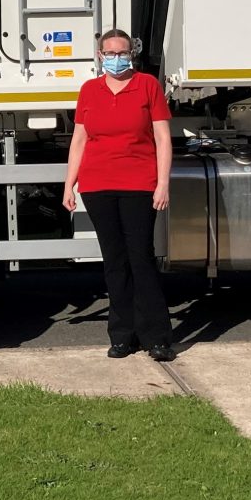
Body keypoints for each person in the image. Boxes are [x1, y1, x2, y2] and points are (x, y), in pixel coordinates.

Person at [62, 28, 175, 362]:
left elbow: (163, 139)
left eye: (121, 52)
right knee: (114, 262)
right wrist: (69, 184)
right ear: (100, 56)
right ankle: (122, 336)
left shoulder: (147, 86)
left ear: (131, 55)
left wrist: (163, 182)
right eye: (109, 53)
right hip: (98, 187)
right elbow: (79, 140)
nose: (116, 58)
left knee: (141, 259)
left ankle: (157, 336)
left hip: (140, 185)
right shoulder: (90, 91)